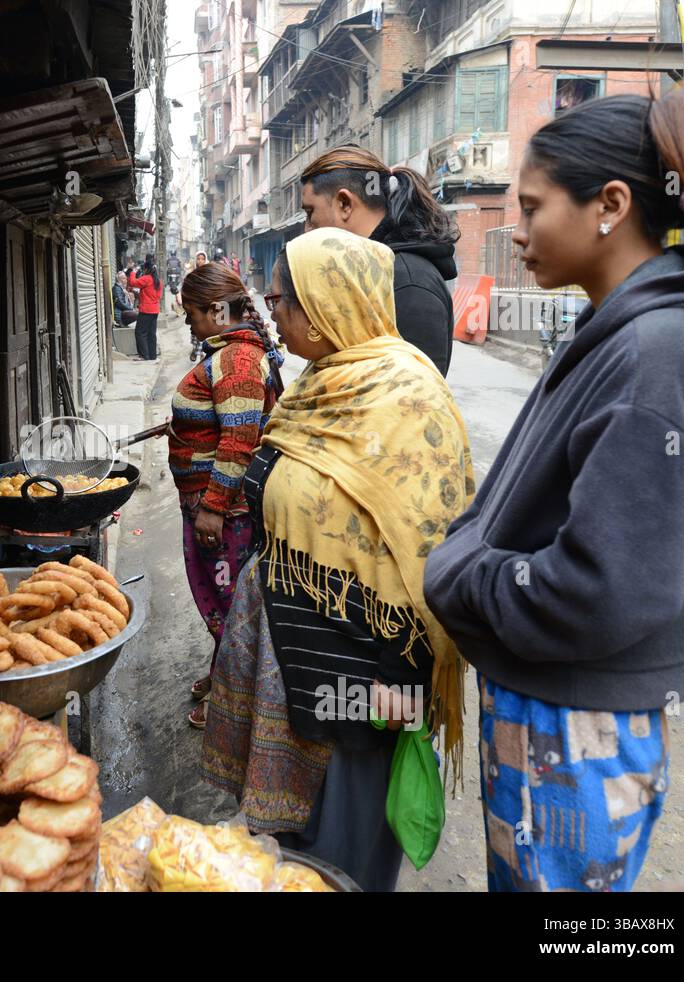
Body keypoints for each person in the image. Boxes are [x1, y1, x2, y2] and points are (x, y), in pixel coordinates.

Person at [423, 81, 684, 893]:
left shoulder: (658, 347)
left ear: (611, 204)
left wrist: (462, 573)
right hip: (567, 710)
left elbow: (606, 587)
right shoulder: (628, 325)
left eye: (531, 206)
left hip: (571, 726)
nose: (514, 231)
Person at [200, 227, 475, 891]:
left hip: (366, 678)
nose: (275, 317)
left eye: (283, 303)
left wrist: (392, 692)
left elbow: (429, 551)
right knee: (297, 853)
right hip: (295, 660)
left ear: (331, 304)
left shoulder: (407, 395)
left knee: (346, 850)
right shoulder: (318, 385)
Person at [172, 262, 286, 728]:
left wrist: (213, 510)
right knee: (225, 603)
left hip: (225, 514)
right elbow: (233, 420)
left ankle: (233, 700)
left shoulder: (236, 360)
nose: (189, 322)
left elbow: (238, 443)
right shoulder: (231, 352)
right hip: (218, 507)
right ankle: (226, 675)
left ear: (217, 310)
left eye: (193, 313)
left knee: (228, 607)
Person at [300, 145, 460, 375]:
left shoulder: (408, 281)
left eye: (310, 213)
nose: (307, 229)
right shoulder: (369, 270)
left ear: (344, 204)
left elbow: (413, 400)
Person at [126, 254, 163, 360]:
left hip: (146, 310)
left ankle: (143, 355)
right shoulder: (158, 281)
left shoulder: (147, 279)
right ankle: (152, 355)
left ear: (146, 269)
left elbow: (133, 282)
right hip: (155, 310)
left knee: (140, 332)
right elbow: (157, 296)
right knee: (151, 333)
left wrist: (132, 271)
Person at [166, 251, 184, 316]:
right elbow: (180, 266)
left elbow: (166, 265)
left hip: (171, 272)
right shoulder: (178, 260)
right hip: (176, 272)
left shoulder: (168, 259)